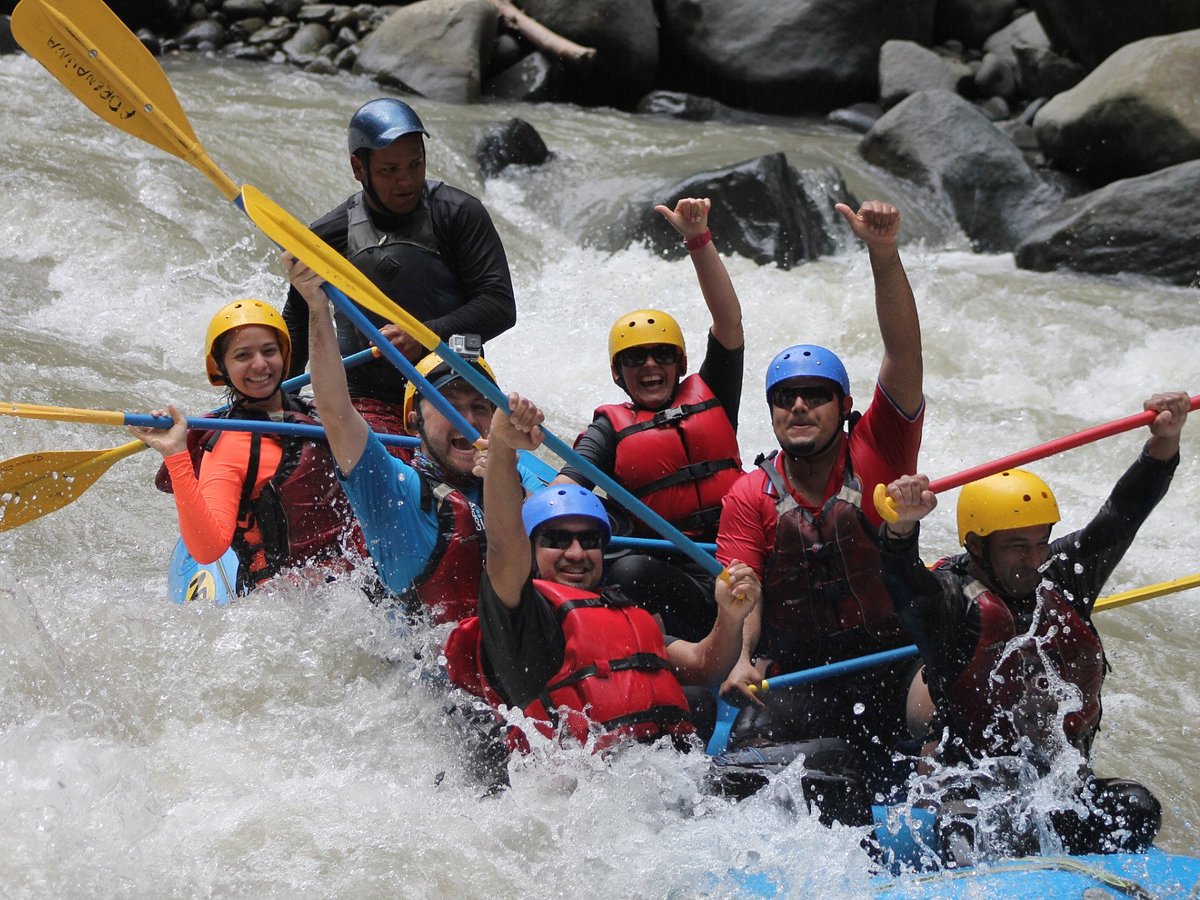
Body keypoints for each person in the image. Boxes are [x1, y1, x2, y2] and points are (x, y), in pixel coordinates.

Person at [877, 390, 1189, 863]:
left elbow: (1122, 515)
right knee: (973, 837)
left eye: (1041, 541)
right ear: (977, 547)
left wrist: (1164, 443)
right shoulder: (951, 601)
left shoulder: (1062, 578)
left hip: (1054, 787)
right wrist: (901, 528)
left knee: (1137, 809)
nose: (1035, 558)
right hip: (971, 791)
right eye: (1017, 546)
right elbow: (903, 580)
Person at [715, 201, 924, 812]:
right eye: (786, 398)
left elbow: (904, 354)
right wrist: (744, 659)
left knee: (948, 709)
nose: (799, 407)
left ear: (844, 407)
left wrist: (882, 254)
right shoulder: (749, 494)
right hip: (805, 669)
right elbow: (743, 590)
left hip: (895, 656)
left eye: (815, 395)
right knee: (745, 765)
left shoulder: (881, 447)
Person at [444, 393, 761, 754]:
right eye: (557, 540)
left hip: (647, 775)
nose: (576, 552)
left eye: (589, 539)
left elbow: (705, 665)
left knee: (698, 700)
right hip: (568, 782)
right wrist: (502, 444)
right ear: (530, 550)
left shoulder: (622, 613)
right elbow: (504, 545)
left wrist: (730, 618)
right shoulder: (521, 615)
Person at [285, 255, 539, 623]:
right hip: (427, 656)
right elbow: (336, 413)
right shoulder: (395, 490)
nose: (468, 420)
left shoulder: (514, 469)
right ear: (412, 420)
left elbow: (568, 531)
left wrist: (507, 478)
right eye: (449, 405)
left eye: (480, 407)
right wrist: (316, 307)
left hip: (511, 646)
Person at [554, 197, 745, 642]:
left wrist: (698, 240)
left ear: (680, 364)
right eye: (635, 358)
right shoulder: (609, 429)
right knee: (630, 571)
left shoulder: (713, 391)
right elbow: (565, 488)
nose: (650, 365)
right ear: (617, 373)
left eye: (662, 354)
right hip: (680, 579)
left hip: (743, 554)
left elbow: (729, 321)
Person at [281, 97, 517, 450]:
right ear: (359, 168)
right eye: (389, 170)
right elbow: (298, 322)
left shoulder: (458, 214)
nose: (406, 180)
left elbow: (499, 305)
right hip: (364, 397)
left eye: (415, 164)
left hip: (451, 389)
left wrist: (423, 335)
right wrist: (279, 407)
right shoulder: (327, 237)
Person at [132, 299, 368, 594]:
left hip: (353, 578)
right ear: (221, 367)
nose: (259, 364)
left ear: (284, 355)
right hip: (283, 598)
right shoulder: (229, 447)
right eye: (243, 355)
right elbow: (208, 549)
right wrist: (175, 454)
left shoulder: (319, 414)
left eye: (268, 351)